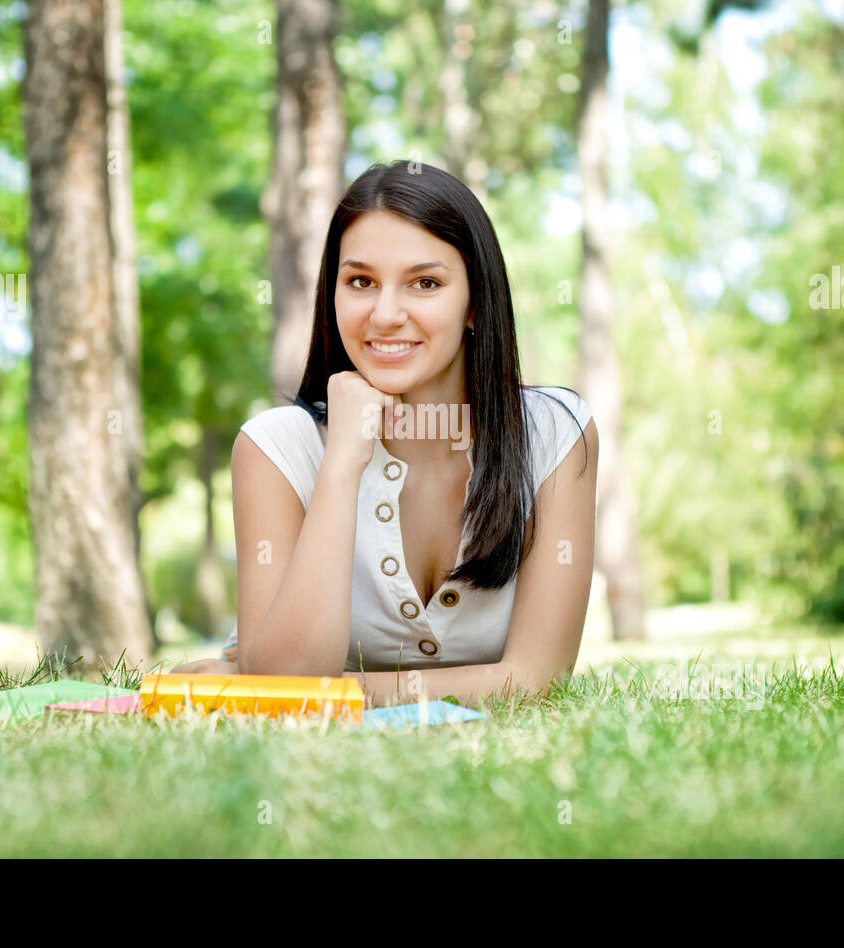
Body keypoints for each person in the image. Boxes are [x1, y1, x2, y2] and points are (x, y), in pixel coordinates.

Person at [172, 160, 598, 708]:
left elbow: (538, 682)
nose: (386, 313)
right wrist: (344, 461)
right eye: (361, 282)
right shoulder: (275, 447)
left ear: (474, 304)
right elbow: (289, 676)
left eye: (425, 283)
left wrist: (338, 691)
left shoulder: (553, 435)